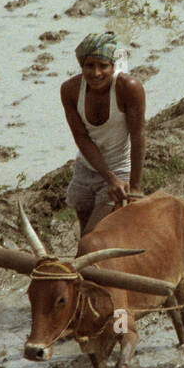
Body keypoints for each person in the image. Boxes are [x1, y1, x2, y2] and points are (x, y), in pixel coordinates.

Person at [61, 32, 146, 236]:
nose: (96, 73)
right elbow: (81, 137)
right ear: (81, 66)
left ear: (113, 66)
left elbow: (137, 136)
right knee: (85, 235)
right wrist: (108, 179)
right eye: (89, 66)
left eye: (103, 66)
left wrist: (134, 187)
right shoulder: (70, 90)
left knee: (93, 237)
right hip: (87, 167)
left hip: (119, 167)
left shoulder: (128, 88)